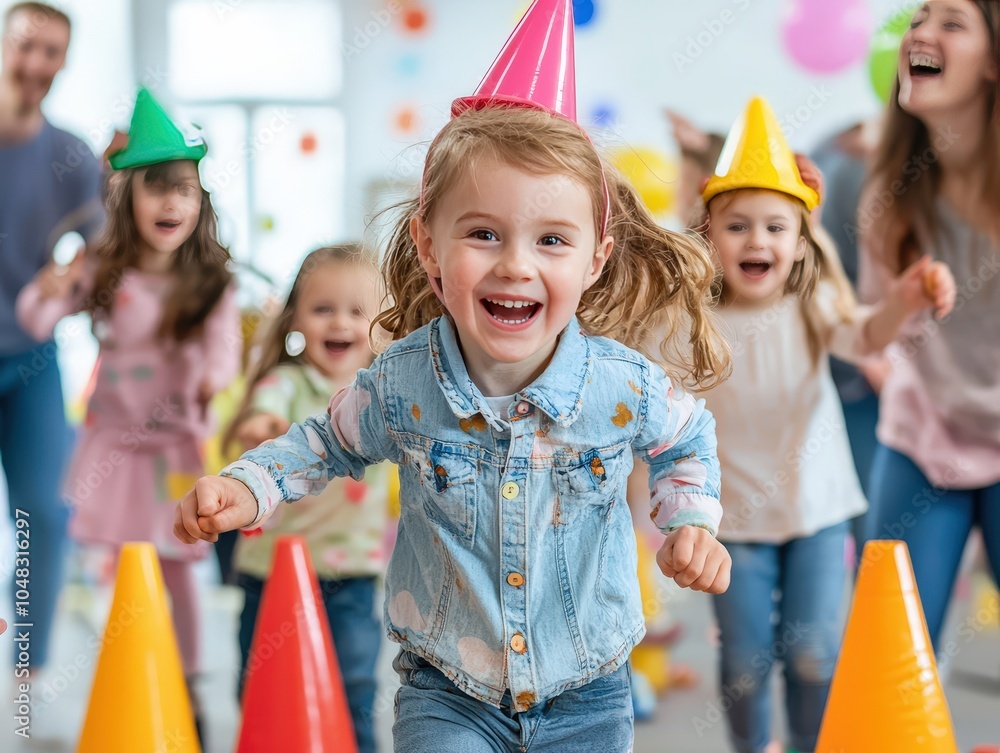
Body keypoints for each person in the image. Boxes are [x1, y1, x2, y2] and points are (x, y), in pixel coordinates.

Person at [175, 1, 732, 750]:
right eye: (482, 233)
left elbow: (687, 434)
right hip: (449, 693)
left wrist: (690, 519)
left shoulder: (621, 387)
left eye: (551, 239)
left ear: (594, 259)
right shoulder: (402, 383)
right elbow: (318, 443)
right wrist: (248, 485)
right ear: (428, 245)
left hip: (589, 692)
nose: (515, 264)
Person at [696, 96, 955, 753]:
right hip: (731, 519)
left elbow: (866, 334)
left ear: (801, 238)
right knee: (745, 665)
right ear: (709, 234)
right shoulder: (691, 319)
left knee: (815, 656)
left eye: (776, 227)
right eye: (739, 226)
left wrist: (902, 300)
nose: (758, 241)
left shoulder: (810, 300)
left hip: (814, 510)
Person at [16, 88, 239, 735]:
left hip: (174, 450)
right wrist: (49, 288)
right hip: (113, 447)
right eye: (157, 187)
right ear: (127, 197)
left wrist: (207, 377)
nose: (172, 201)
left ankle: (191, 686)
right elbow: (35, 320)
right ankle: (125, 672)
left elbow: (223, 355)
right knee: (117, 565)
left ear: (200, 203)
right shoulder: (103, 271)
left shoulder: (210, 282)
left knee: (178, 566)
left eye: (185, 190)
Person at [860, 0, 1000, 651]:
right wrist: (898, 311)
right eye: (919, 18)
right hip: (925, 439)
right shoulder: (891, 192)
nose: (921, 32)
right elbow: (869, 337)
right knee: (891, 651)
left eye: (950, 21)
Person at [226, 244, 389, 753]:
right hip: (269, 573)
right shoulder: (288, 382)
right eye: (323, 309)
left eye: (357, 311)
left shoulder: (385, 391)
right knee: (261, 684)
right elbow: (263, 411)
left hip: (352, 574)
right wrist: (261, 427)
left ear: (383, 322)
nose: (339, 323)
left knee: (353, 686)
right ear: (296, 316)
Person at [0, 2, 103, 672]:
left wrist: (72, 280)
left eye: (52, 53)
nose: (37, 64)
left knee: (43, 509)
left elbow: (104, 258)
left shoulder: (72, 156)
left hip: (31, 360)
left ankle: (27, 667)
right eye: (27, 45)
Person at [809, 119, 883, 548]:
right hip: (858, 376)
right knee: (873, 524)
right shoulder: (853, 169)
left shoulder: (836, 150)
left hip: (861, 367)